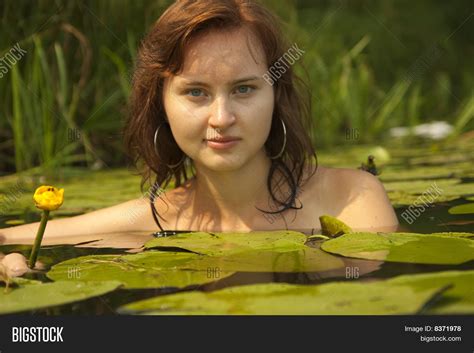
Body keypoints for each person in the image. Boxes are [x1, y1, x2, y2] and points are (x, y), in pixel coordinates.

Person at [0, 0, 398, 275]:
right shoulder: (147, 218)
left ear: (277, 95)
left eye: (244, 89)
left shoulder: (353, 198)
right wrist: (13, 263)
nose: (221, 118)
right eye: (196, 92)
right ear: (161, 103)